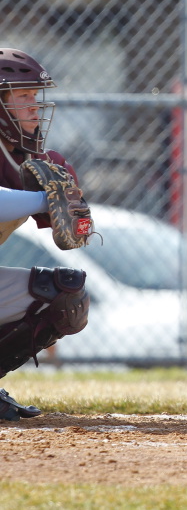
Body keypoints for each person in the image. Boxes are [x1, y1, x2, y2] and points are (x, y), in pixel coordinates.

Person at [0, 48, 90, 422]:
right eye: (22, 97)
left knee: (65, 294)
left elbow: (71, 232)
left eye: (35, 97)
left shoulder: (37, 161)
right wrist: (41, 198)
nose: (34, 107)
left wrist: (72, 214)